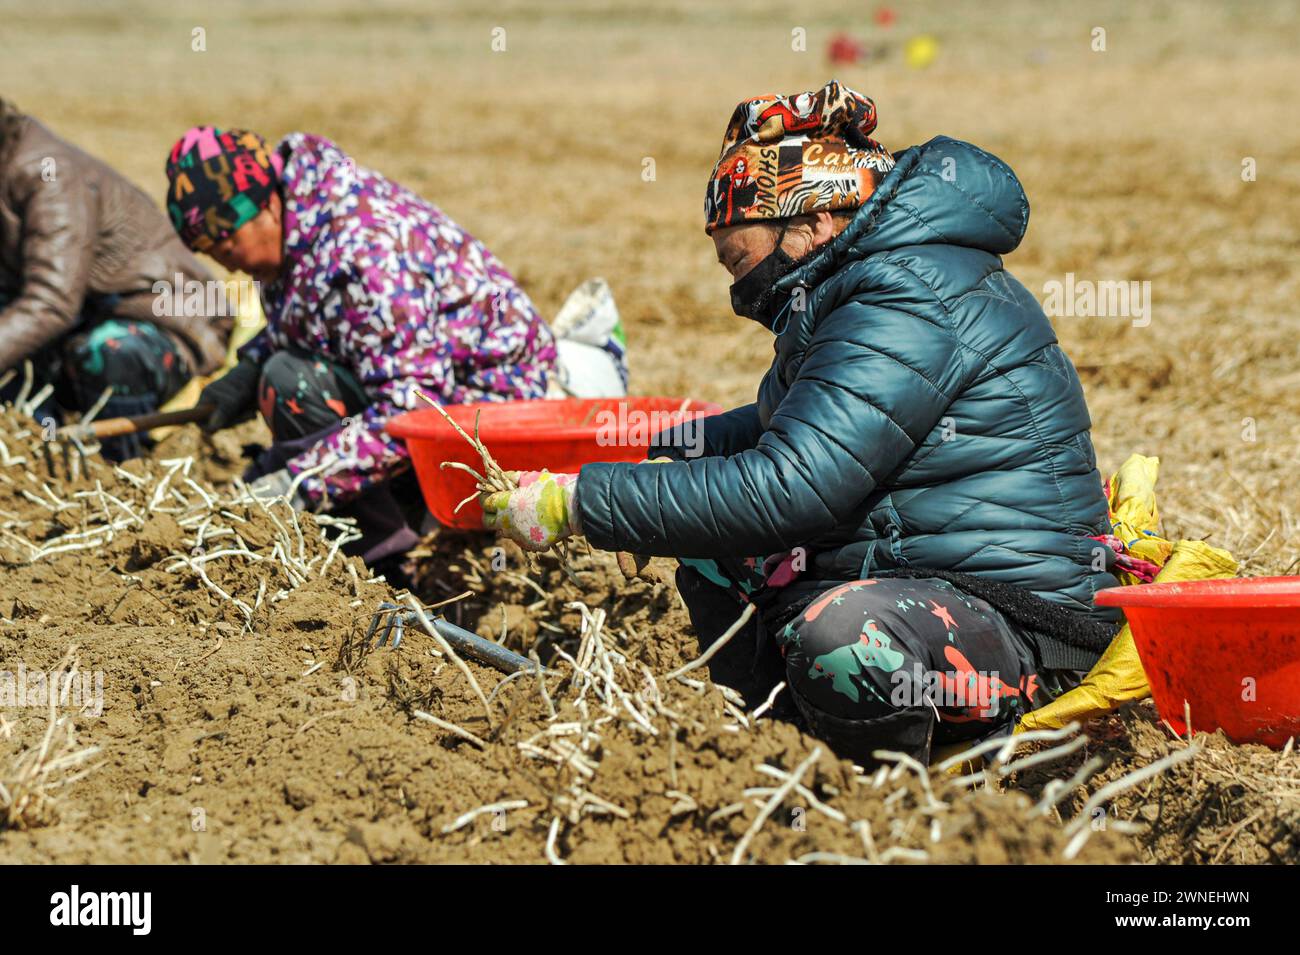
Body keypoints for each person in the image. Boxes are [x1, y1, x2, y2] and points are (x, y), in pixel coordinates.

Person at [479, 80, 1123, 766]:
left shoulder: (904, 296)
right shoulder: (866, 285)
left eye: (739, 257)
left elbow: (792, 486)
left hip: (1021, 620)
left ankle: (895, 800)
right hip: (926, 579)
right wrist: (646, 454)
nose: (738, 289)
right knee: (707, 543)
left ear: (811, 223)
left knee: (844, 638)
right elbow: (777, 426)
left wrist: (581, 502)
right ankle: (774, 752)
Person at [163, 125, 562, 567]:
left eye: (225, 248)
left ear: (265, 208)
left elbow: (414, 408)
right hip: (431, 393)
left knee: (293, 383)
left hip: (494, 416)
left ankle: (392, 557)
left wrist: (298, 485)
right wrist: (247, 370)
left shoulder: (366, 253)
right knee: (277, 370)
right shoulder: (303, 228)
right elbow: (318, 324)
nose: (230, 269)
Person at [0, 99, 230, 459]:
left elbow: (51, 302)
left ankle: (119, 470)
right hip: (83, 319)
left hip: (168, 320)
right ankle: (33, 454)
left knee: (108, 351)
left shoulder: (48, 175)